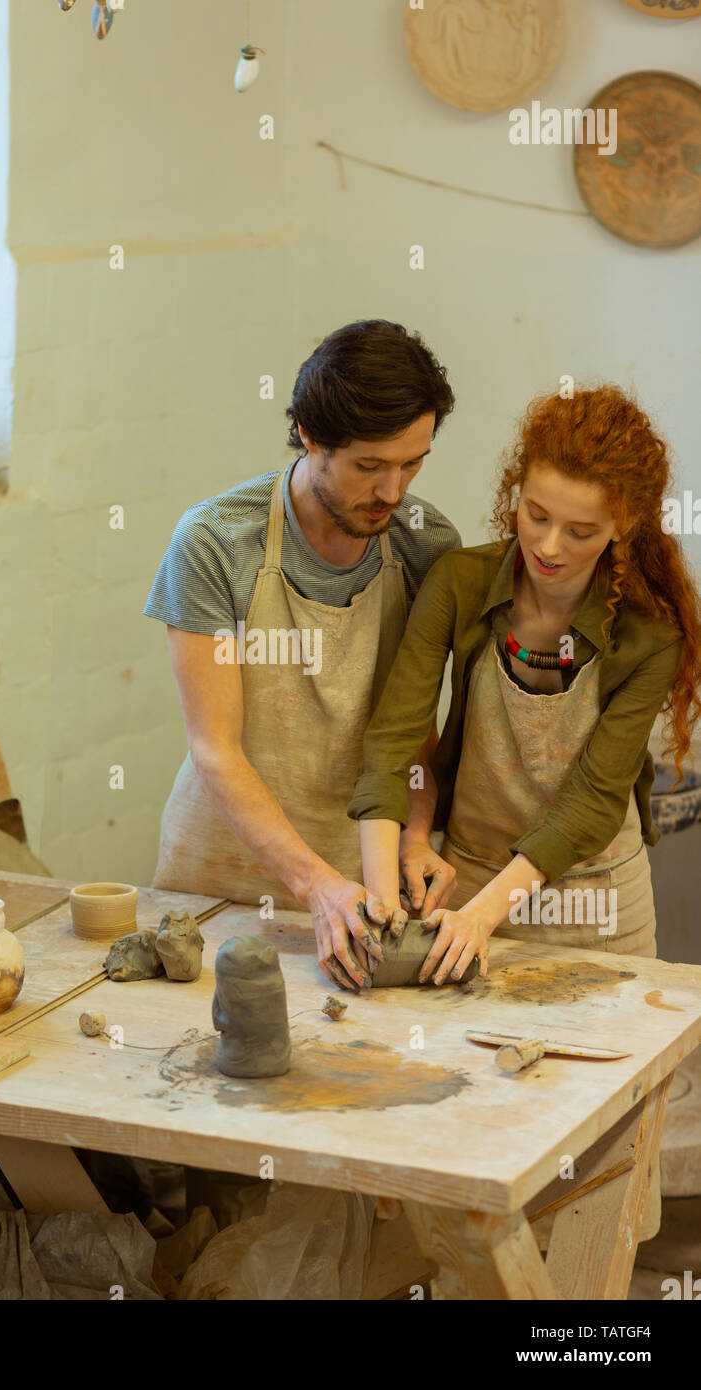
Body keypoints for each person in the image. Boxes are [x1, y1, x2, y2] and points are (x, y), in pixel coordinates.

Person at [143, 320, 462, 992]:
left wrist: (414, 838)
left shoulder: (424, 545)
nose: (392, 492)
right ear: (311, 437)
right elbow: (215, 748)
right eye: (369, 467)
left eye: (412, 464)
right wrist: (313, 883)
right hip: (224, 869)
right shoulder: (217, 542)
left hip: (358, 874)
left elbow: (415, 734)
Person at [349, 385, 701, 992]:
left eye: (581, 531)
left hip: (596, 903)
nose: (548, 546)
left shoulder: (649, 635)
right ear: (517, 492)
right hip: (466, 882)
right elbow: (394, 740)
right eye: (536, 514)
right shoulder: (460, 583)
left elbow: (593, 801)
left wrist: (484, 916)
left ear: (626, 524)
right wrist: (382, 900)